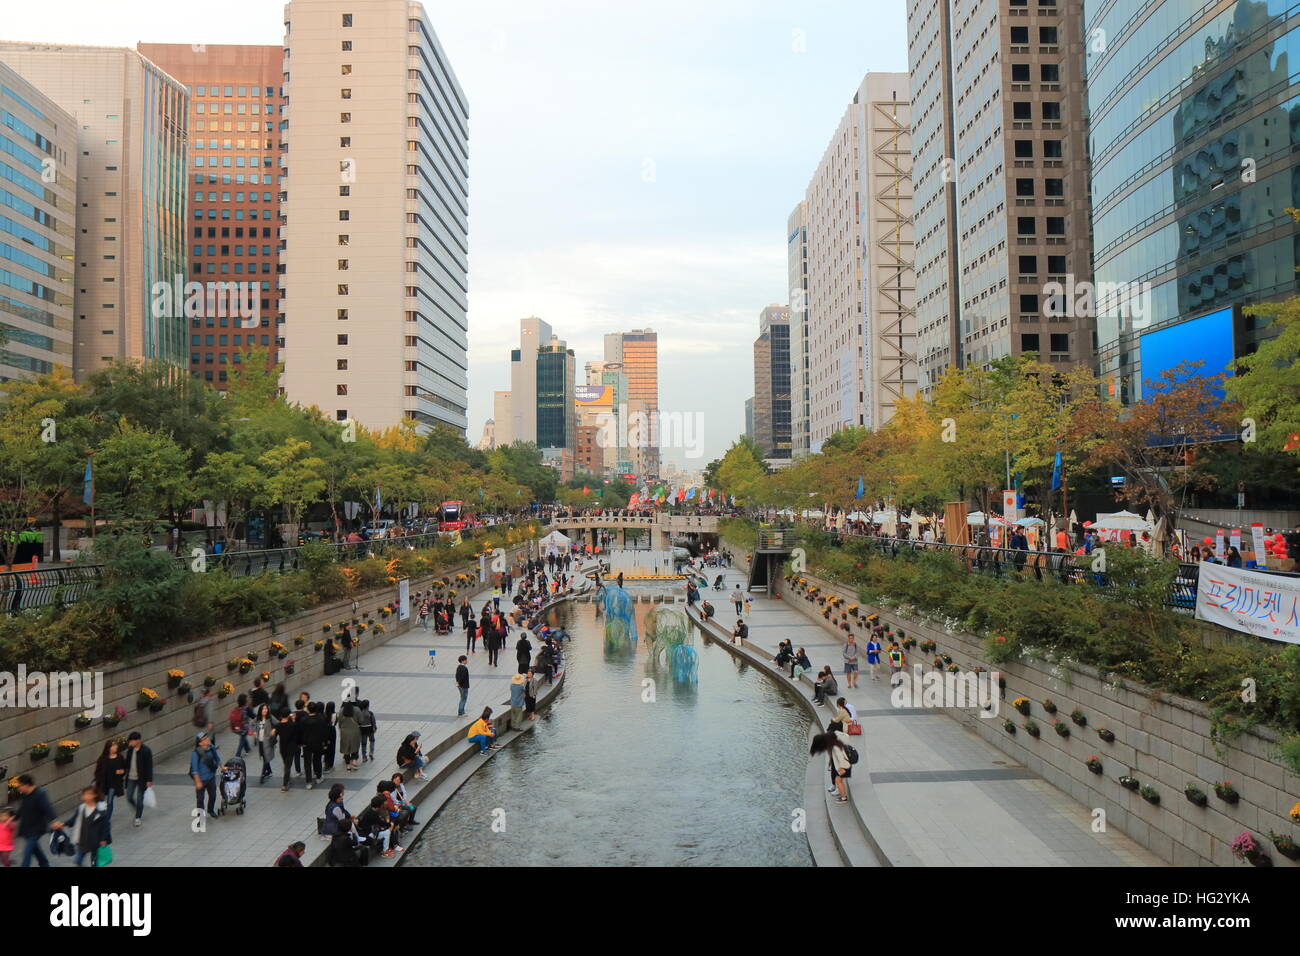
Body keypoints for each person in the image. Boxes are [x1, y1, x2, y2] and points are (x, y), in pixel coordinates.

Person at [14, 775, 55, 867]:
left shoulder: (40, 794)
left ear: (26, 785)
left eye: (19, 785)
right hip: (27, 828)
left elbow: (47, 808)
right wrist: (14, 818)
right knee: (35, 849)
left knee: (27, 851)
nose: (18, 788)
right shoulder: (25, 794)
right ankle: (44, 864)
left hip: (37, 828)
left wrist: (53, 820)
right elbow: (22, 808)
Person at [63, 786, 109, 867]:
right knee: (78, 862)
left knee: (94, 862)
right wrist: (63, 824)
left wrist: (103, 839)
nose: (86, 796)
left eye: (89, 794)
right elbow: (73, 820)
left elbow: (105, 826)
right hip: (82, 840)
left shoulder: (101, 810)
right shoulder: (81, 808)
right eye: (85, 794)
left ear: (94, 795)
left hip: (95, 841)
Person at [92, 739, 127, 839]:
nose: (115, 747)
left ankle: (106, 820)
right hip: (103, 784)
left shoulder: (120, 757)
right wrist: (99, 779)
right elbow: (97, 771)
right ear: (108, 748)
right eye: (113, 746)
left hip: (113, 784)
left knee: (110, 801)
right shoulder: (103, 758)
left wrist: (121, 772)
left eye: (115, 746)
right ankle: (100, 817)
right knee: (101, 802)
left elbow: (124, 768)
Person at [809, 730, 854, 803]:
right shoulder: (835, 740)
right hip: (845, 765)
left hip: (844, 766)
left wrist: (842, 768)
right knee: (838, 780)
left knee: (838, 780)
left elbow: (840, 757)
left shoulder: (835, 746)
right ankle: (841, 794)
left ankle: (844, 798)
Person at [122, 732, 154, 826]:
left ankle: (137, 817)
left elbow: (149, 766)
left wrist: (149, 780)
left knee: (140, 798)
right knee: (129, 797)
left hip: (142, 779)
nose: (131, 742)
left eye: (132, 741)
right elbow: (127, 763)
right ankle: (138, 809)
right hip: (131, 777)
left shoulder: (146, 751)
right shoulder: (130, 750)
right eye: (130, 741)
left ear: (138, 740)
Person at [190, 732, 223, 818]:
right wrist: (197, 782)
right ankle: (200, 817)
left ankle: (210, 810)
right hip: (201, 780)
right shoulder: (195, 753)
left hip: (211, 778)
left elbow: (217, 758)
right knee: (200, 799)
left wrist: (222, 766)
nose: (207, 739)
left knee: (213, 795)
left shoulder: (211, 748)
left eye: (206, 737)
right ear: (200, 743)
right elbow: (194, 769)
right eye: (204, 739)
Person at [299, 702, 328, 790]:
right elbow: (324, 732)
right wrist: (325, 743)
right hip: (318, 743)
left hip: (307, 744)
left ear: (308, 709)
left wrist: (300, 742)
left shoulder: (304, 720)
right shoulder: (321, 719)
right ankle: (318, 777)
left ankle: (309, 782)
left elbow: (301, 732)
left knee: (307, 763)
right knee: (317, 760)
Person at [276, 709, 301, 792]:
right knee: (287, 766)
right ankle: (284, 785)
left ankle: (287, 778)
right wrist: (293, 720)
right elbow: (297, 732)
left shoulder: (278, 725)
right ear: (288, 715)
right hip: (291, 748)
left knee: (286, 765)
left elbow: (274, 734)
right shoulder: (292, 725)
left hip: (282, 748)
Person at [338, 701, 362, 771]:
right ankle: (354, 761)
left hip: (344, 732)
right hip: (355, 731)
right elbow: (361, 720)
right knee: (355, 746)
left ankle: (348, 765)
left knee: (346, 748)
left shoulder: (341, 710)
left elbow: (339, 722)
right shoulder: (357, 709)